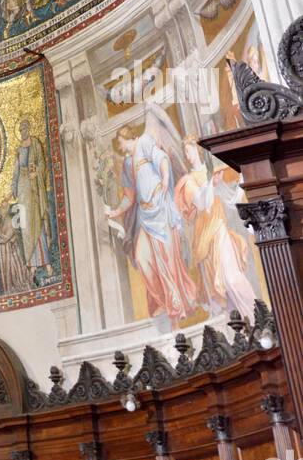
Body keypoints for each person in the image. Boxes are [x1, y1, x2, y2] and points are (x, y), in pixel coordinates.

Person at [107, 127, 198, 324]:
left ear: (126, 138)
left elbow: (162, 159)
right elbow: (129, 196)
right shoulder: (128, 163)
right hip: (145, 217)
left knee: (166, 261)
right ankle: (164, 302)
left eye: (120, 143)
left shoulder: (145, 142)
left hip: (160, 211)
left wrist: (165, 179)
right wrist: (115, 212)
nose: (120, 147)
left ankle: (176, 307)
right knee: (142, 259)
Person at [175, 140, 256, 322]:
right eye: (185, 152)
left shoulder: (213, 171)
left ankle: (256, 316)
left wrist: (238, 180)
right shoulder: (187, 182)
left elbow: (229, 197)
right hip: (203, 236)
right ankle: (240, 328)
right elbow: (202, 203)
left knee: (231, 278)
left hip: (218, 228)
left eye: (189, 150)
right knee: (219, 289)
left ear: (197, 150)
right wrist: (211, 184)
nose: (188, 156)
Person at [12, 118, 53, 280]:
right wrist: (14, 188)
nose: (23, 131)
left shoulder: (35, 143)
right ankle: (32, 263)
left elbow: (42, 162)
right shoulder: (18, 149)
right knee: (26, 225)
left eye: (25, 128)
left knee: (38, 223)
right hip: (23, 188)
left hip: (35, 186)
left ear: (29, 129)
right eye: (20, 129)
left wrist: (37, 172)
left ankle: (46, 262)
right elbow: (16, 170)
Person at [0, 201, 30, 295]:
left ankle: (19, 288)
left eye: (3, 208)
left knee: (15, 272)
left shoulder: (9, 219)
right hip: (5, 251)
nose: (1, 210)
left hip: (11, 251)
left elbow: (5, 238)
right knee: (8, 272)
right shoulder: (3, 220)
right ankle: (10, 289)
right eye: (0, 207)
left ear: (7, 209)